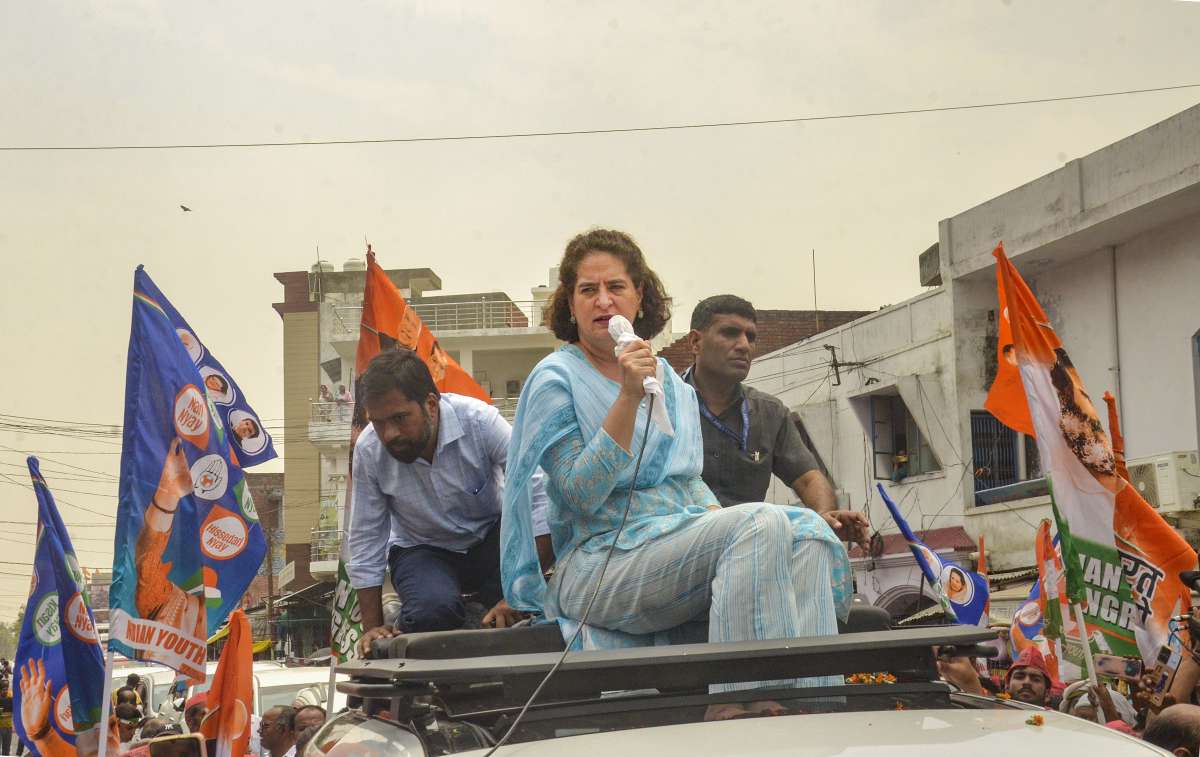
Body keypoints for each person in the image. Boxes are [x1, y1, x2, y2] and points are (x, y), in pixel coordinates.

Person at [501, 229, 854, 721]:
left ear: (639, 295)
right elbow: (580, 494)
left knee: (809, 533)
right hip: (600, 560)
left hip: (674, 538)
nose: (603, 301)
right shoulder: (554, 378)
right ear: (571, 304)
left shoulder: (672, 383)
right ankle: (731, 704)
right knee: (759, 522)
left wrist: (726, 529)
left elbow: (689, 483)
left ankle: (816, 712)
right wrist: (628, 396)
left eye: (615, 287)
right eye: (587, 290)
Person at [349, 349, 552, 655]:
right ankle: (410, 613)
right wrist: (373, 628)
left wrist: (520, 593)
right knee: (429, 615)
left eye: (399, 418)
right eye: (378, 423)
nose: (389, 434)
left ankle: (485, 606)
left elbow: (539, 499)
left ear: (431, 405)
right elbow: (366, 539)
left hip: (492, 541)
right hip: (422, 549)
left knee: (522, 611)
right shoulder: (368, 451)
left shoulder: (481, 421)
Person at [682, 295, 869, 547]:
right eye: (730, 333)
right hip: (677, 542)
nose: (744, 345)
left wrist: (825, 517)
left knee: (819, 542)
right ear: (695, 342)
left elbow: (809, 479)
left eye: (751, 337)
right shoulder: (661, 402)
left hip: (750, 542)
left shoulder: (770, 412)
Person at [0, 678, 12, 756]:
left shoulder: (10, 699)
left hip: (8, 727)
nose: (5, 691)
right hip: (0, 728)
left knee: (7, 749)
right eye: (4, 689)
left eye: (6, 689)